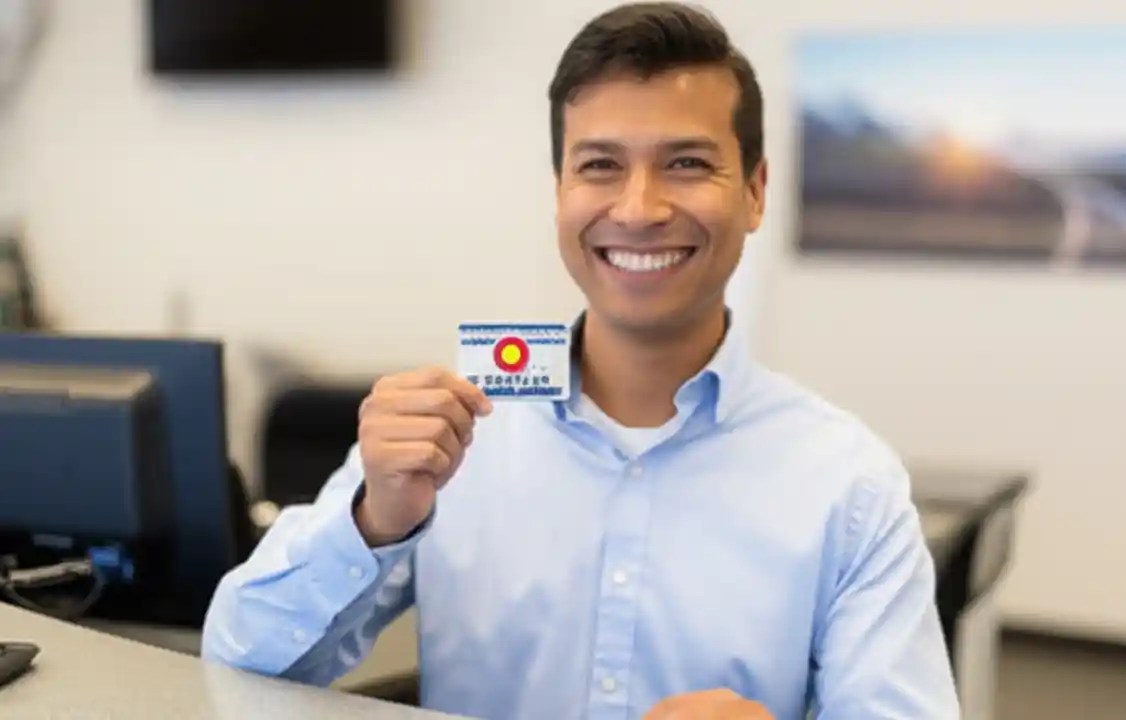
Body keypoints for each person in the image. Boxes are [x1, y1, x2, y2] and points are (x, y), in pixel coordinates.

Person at [201, 3, 959, 718]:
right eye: (599, 166)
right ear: (559, 190)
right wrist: (372, 521)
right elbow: (237, 662)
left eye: (687, 163)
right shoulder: (455, 435)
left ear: (755, 193)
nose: (637, 208)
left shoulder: (849, 485)